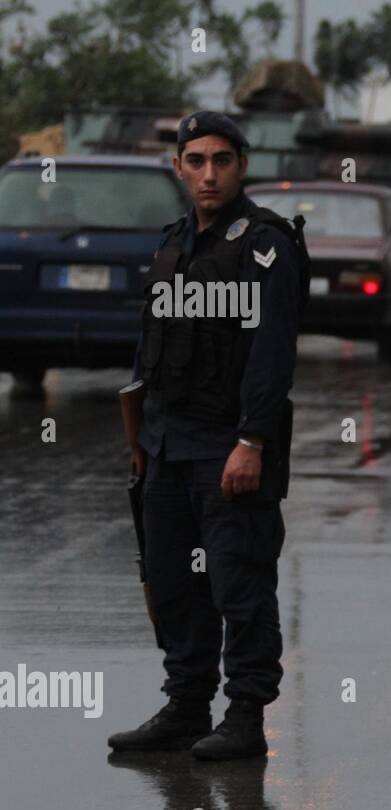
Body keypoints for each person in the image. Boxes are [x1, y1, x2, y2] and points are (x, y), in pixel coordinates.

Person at [109, 111, 308, 761]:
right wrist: (141, 436)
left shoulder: (267, 246)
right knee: (174, 582)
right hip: (167, 446)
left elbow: (271, 356)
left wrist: (251, 441)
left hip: (229, 447)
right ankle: (187, 705)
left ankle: (246, 716)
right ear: (178, 168)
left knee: (238, 582)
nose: (208, 173)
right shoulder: (173, 245)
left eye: (221, 160)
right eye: (195, 161)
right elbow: (152, 348)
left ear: (241, 166)